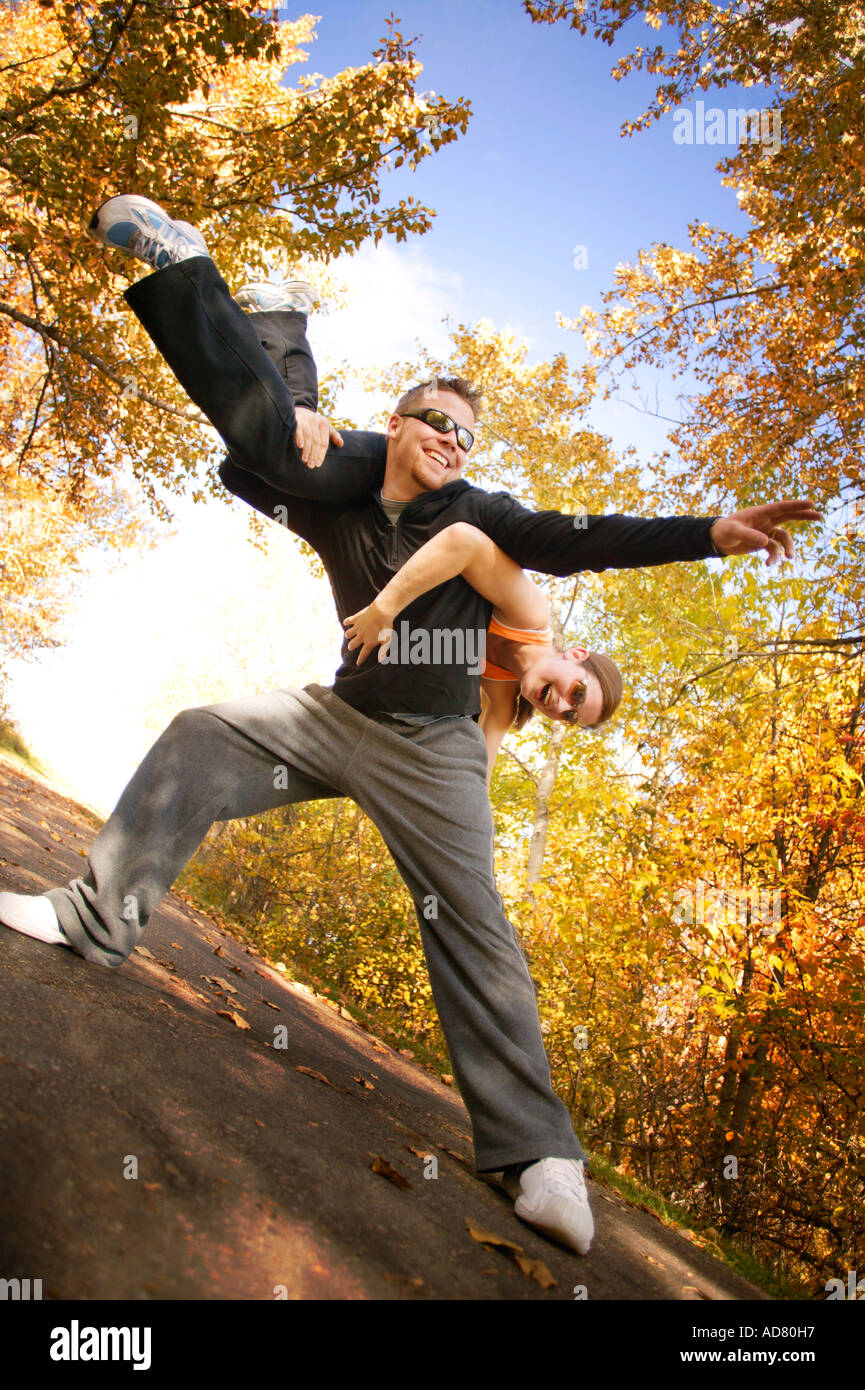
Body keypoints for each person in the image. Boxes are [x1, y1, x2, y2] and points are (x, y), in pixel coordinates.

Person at [0, 195, 822, 1260]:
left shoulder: (488, 542)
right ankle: (92, 916)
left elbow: (576, 539)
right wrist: (304, 417)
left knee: (473, 918)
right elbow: (282, 455)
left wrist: (708, 534)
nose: (452, 442)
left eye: (467, 436)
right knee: (205, 722)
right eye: (436, 422)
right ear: (400, 422)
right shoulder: (402, 514)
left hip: (422, 748)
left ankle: (539, 1152)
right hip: (337, 711)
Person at [341, 520, 623, 785]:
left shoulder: (502, 706)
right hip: (383, 549)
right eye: (578, 693)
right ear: (576, 654)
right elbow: (463, 539)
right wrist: (384, 608)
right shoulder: (530, 614)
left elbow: (478, 782)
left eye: (571, 716)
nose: (561, 708)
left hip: (360, 647)